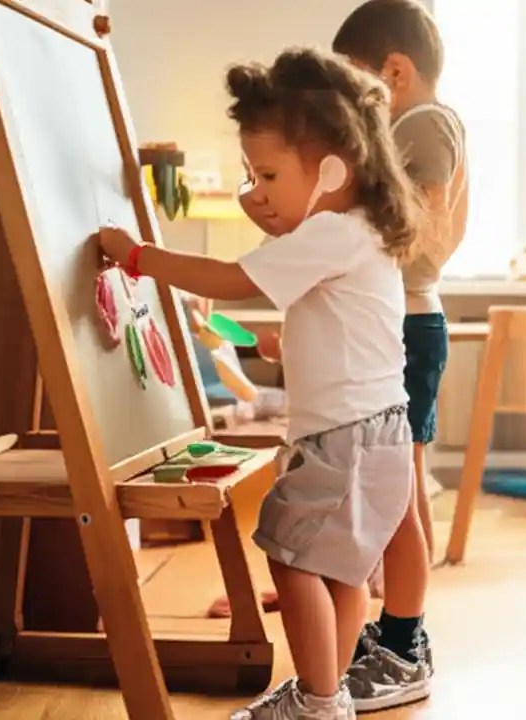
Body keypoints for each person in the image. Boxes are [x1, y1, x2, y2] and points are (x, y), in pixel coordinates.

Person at [99, 47, 420, 719]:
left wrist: (138, 256)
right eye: (251, 174)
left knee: (292, 560)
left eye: (267, 173)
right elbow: (344, 326)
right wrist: (281, 343)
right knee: (337, 568)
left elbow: (233, 280)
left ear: (336, 167)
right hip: (377, 434)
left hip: (343, 441)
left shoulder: (331, 230)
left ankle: (319, 699)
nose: (257, 190)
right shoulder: (361, 232)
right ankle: (325, 693)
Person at [332, 0, 468, 709]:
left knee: (400, 488)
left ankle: (404, 640)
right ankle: (389, 629)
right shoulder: (419, 122)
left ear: (394, 72)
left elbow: (419, 222)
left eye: (354, 88)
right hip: (400, 322)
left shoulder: (420, 124)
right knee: (391, 486)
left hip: (407, 324)